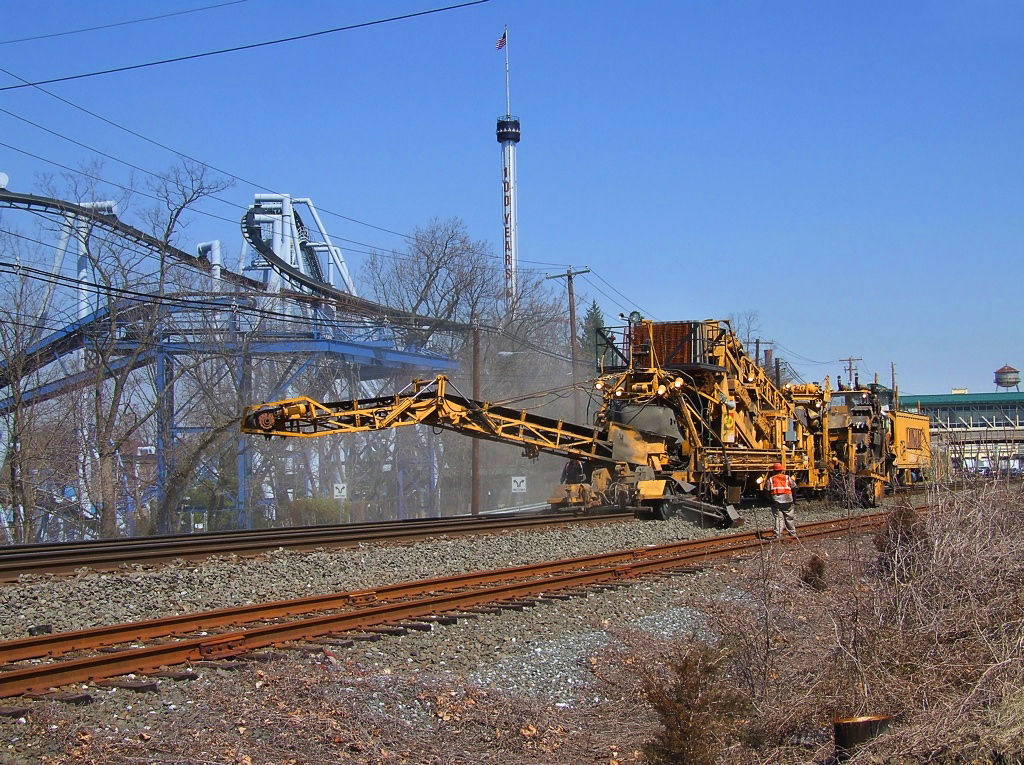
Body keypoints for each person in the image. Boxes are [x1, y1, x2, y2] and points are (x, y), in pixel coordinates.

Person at [766, 462, 798, 538]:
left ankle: (778, 535)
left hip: (776, 502)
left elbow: (767, 492)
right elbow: (794, 489)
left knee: (778, 518)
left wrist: (770, 502)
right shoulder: (788, 478)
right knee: (789, 518)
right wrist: (794, 499)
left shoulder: (770, 480)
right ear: (782, 470)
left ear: (773, 471)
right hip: (788, 501)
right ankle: (792, 534)